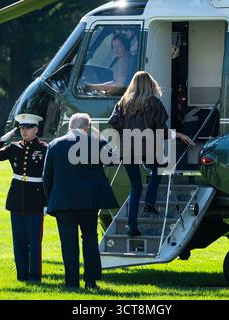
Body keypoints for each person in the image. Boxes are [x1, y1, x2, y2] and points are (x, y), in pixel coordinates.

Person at [108, 71, 194, 236]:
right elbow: (162, 131)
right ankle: (150, 201)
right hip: (148, 147)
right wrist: (181, 135)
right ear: (150, 85)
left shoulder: (122, 103)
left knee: (136, 187)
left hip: (127, 149)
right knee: (158, 168)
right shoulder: (154, 103)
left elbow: (113, 123)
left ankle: (132, 226)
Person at [43, 113, 119, 289]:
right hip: (89, 201)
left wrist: (49, 200)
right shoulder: (96, 142)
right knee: (90, 239)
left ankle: (71, 282)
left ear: (70, 126)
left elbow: (47, 177)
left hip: (63, 201)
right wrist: (100, 137)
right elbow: (114, 159)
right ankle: (90, 281)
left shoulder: (55, 144)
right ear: (87, 127)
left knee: (68, 242)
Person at [0, 113, 47, 283]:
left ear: (36, 129)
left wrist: (47, 203)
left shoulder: (44, 149)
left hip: (35, 200)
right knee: (18, 241)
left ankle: (34, 276)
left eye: (28, 128)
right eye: (21, 128)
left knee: (34, 243)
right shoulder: (14, 147)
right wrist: (2, 139)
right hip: (16, 200)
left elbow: (49, 177)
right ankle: (22, 275)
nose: (24, 131)